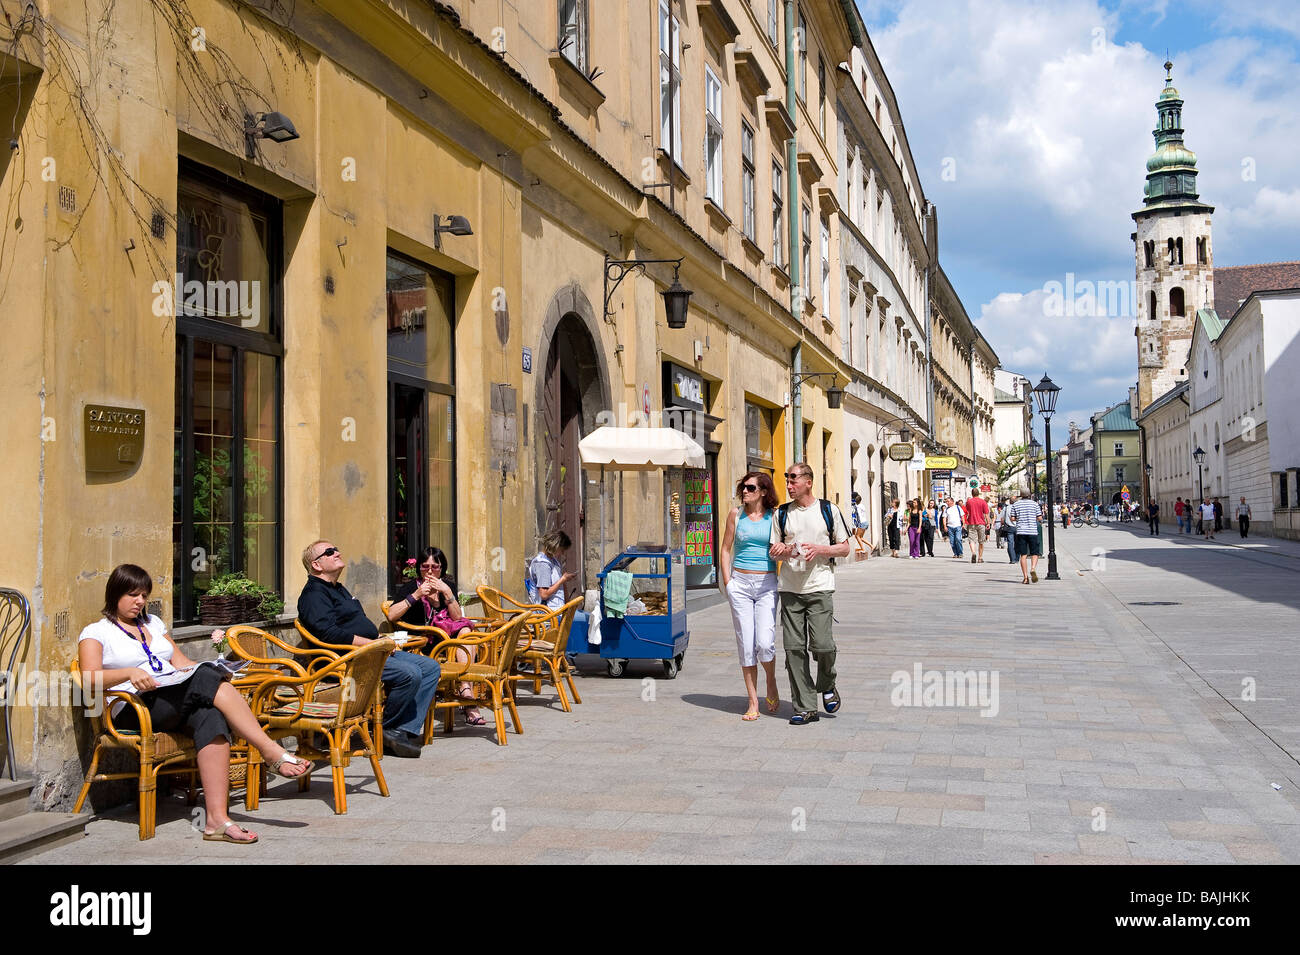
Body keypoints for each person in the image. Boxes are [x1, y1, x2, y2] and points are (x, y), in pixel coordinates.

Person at [78, 564, 312, 844]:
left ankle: (216, 821)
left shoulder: (153, 624)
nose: (139, 601)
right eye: (132, 595)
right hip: (132, 709)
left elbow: (182, 664)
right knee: (204, 678)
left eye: (143, 595)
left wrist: (220, 668)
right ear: (114, 594)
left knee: (209, 714)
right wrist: (128, 673)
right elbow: (89, 679)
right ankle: (270, 751)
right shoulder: (97, 632)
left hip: (169, 698)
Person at [298, 540, 441, 758]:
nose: (337, 552)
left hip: (372, 652)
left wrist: (379, 640)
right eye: (329, 552)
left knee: (430, 667)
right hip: (349, 660)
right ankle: (385, 730)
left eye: (336, 548)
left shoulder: (338, 588)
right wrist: (372, 644)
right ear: (316, 565)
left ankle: (402, 729)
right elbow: (328, 634)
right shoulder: (313, 594)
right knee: (409, 674)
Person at [769, 462, 852, 726]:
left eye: (793, 479)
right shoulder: (781, 514)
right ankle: (805, 707)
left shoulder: (828, 510)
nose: (789, 484)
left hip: (820, 586)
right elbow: (773, 549)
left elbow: (845, 548)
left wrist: (820, 549)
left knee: (823, 645)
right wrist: (784, 549)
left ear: (808, 482)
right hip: (791, 588)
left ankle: (827, 682)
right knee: (794, 649)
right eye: (787, 479)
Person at [388, 546, 483, 726]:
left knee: (466, 632)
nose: (430, 571)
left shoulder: (448, 586)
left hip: (446, 641)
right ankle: (469, 702)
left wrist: (447, 592)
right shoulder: (410, 587)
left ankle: (464, 687)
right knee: (464, 636)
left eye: (435, 567)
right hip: (422, 642)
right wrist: (416, 595)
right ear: (419, 568)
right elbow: (392, 615)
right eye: (425, 566)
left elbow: (456, 617)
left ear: (442, 568)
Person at [719, 472, 781, 721]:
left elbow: (784, 546)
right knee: (746, 644)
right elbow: (725, 548)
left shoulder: (774, 517)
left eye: (750, 487)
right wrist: (728, 583)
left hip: (767, 583)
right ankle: (753, 701)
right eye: (743, 487)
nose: (745, 491)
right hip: (740, 584)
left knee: (765, 643)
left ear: (763, 491)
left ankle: (771, 681)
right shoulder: (736, 515)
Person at [1006, 488, 1043, 583]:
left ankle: (1025, 577)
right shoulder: (1034, 504)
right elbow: (1039, 518)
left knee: (1023, 554)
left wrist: (1019, 518)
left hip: (1021, 531)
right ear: (1029, 494)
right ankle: (1033, 568)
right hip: (1032, 531)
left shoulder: (1016, 504)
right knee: (1035, 553)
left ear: (1021, 495)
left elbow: (1013, 518)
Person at [963, 489, 991, 563]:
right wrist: (988, 523)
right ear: (979, 493)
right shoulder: (983, 502)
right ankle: (980, 558)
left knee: (971, 540)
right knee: (981, 541)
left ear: (972, 494)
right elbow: (986, 514)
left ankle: (973, 553)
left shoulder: (969, 502)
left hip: (971, 522)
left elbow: (967, 512)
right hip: (981, 523)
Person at [850, 491, 869, 556]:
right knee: (860, 538)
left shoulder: (857, 507)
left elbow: (854, 513)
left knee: (857, 536)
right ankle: (872, 546)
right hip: (865, 522)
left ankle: (863, 549)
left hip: (862, 523)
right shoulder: (862, 505)